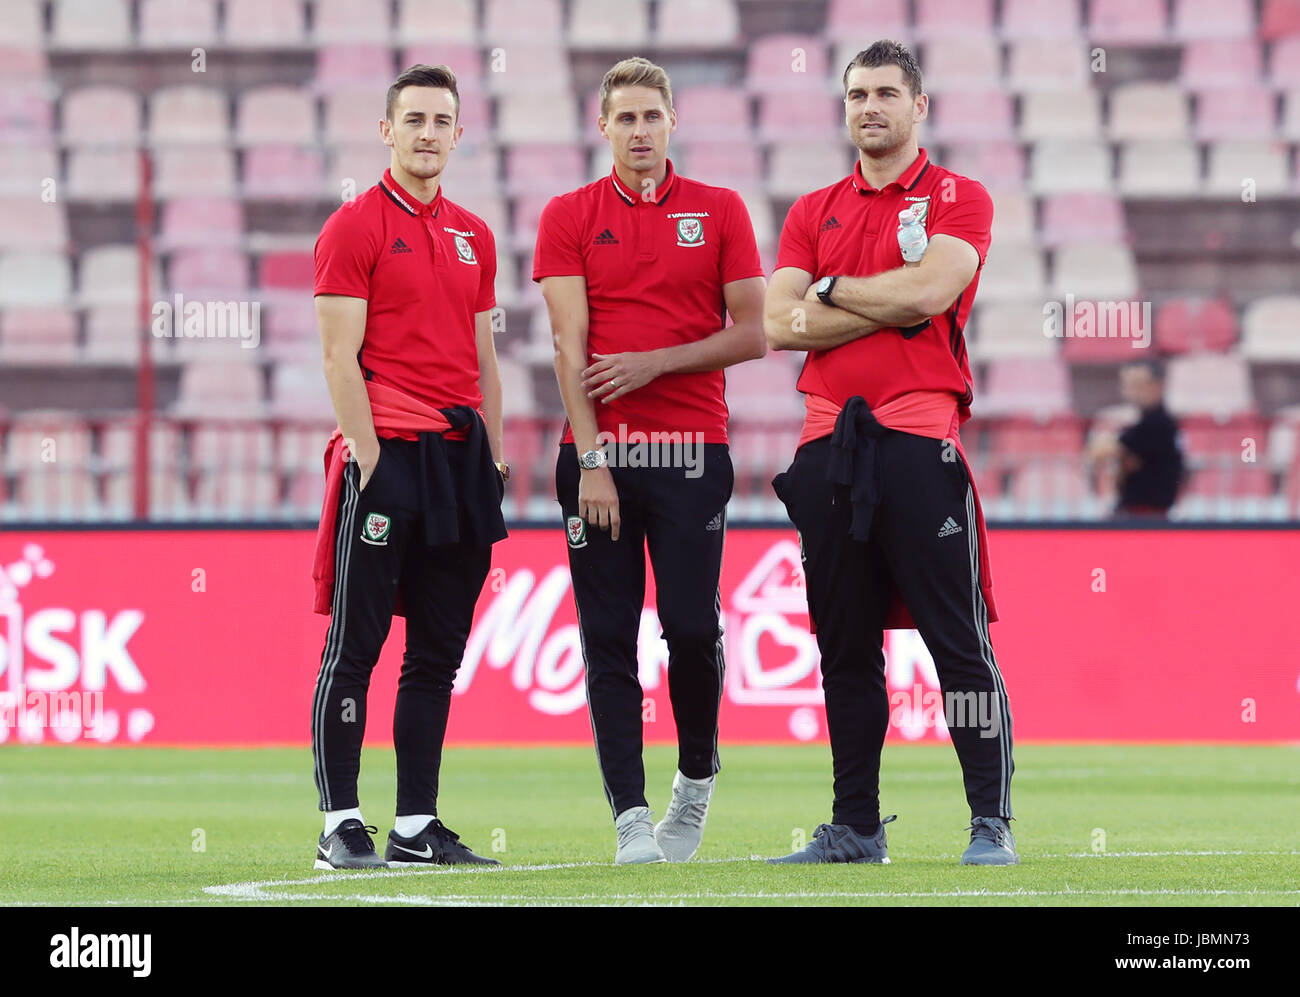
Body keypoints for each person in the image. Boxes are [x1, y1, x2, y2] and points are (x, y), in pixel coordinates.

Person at [762, 40, 1017, 866]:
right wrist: (885, 302)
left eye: (884, 94)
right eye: (855, 95)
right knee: (843, 646)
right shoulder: (812, 208)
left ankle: (989, 822)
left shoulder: (958, 195)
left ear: (919, 107)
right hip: (827, 445)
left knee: (957, 641)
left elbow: (933, 290)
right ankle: (856, 827)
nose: (868, 108)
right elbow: (775, 323)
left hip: (916, 439)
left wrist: (830, 292)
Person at [533, 57, 766, 864]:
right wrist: (592, 458)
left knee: (692, 627)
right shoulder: (568, 214)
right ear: (603, 126)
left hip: (692, 449)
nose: (639, 131)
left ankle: (694, 780)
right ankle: (631, 817)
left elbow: (753, 333)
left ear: (673, 122)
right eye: (624, 118)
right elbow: (569, 346)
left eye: (651, 117)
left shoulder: (721, 208)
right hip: (598, 455)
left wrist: (657, 363)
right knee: (606, 637)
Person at [309, 64, 507, 869]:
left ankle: (416, 825)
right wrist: (369, 457)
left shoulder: (475, 235)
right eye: (414, 118)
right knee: (355, 647)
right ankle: (340, 822)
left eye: (442, 120)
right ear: (385, 130)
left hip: (460, 461)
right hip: (390, 453)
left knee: (436, 653)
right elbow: (337, 356)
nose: (428, 132)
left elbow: (485, 361)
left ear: (460, 134)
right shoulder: (353, 227)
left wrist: (492, 460)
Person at [1089, 359, 1184, 518]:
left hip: (1145, 518)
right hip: (1136, 515)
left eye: (1139, 385)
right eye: (1128, 385)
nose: (1132, 392)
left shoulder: (1158, 425)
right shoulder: (1144, 423)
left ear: (1158, 385)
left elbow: (1102, 451)